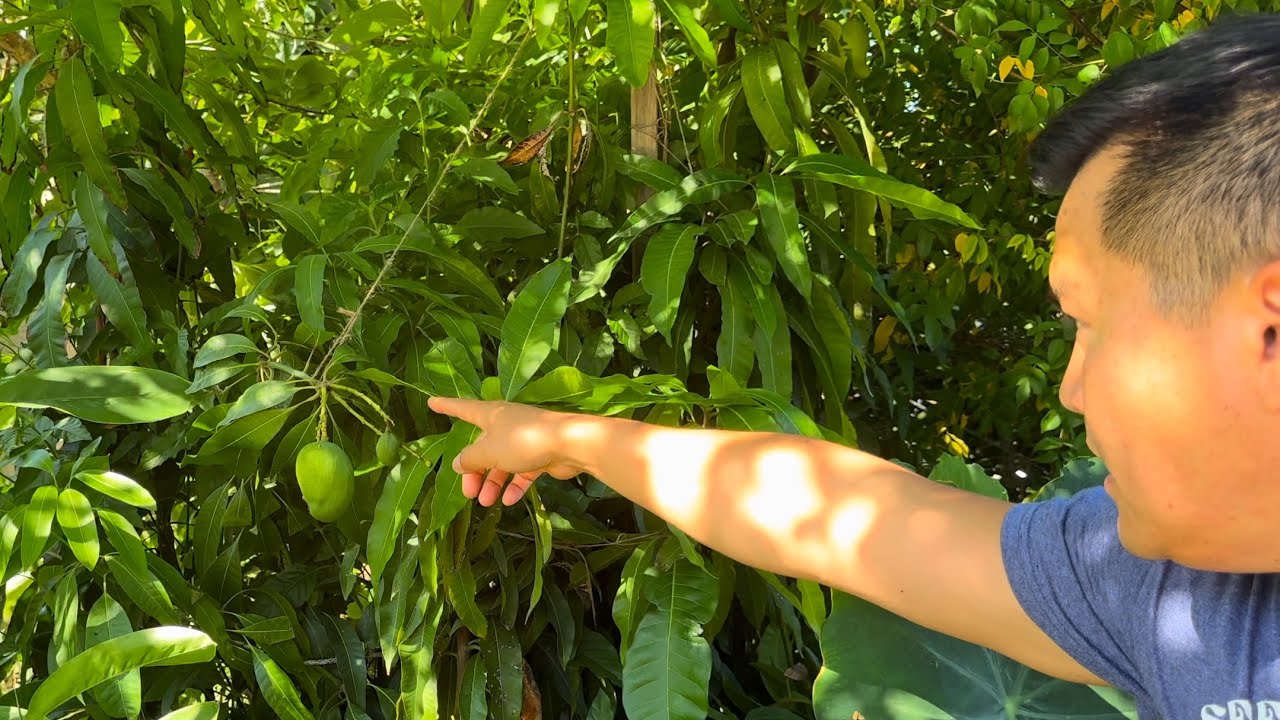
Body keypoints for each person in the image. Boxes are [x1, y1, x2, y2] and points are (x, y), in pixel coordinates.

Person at [429, 16, 1280, 719]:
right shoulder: (1172, 590)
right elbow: (852, 517)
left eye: (1089, 322)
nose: (1071, 385)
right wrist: (575, 437)